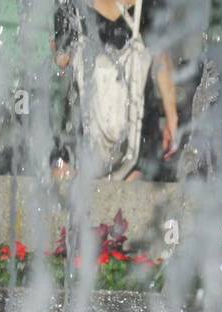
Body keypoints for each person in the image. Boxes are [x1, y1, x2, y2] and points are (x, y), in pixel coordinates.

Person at [52, 0, 180, 181]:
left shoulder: (71, 4)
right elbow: (162, 59)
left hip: (82, 130)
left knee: (66, 186)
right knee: (130, 200)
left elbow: (62, 61)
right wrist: (171, 117)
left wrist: (57, 48)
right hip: (137, 133)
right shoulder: (151, 4)